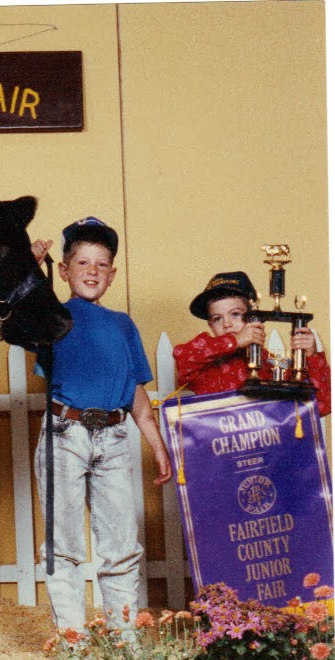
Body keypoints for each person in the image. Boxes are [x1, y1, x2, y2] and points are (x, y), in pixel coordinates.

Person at [31, 217, 172, 635]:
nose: (92, 271)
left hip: (113, 438)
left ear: (112, 275)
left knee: (121, 545)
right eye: (82, 262)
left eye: (102, 264)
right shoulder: (51, 317)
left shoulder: (123, 325)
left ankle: (124, 639)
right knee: (64, 545)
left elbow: (138, 398)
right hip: (65, 433)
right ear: (63, 270)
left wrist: (158, 447)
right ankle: (72, 642)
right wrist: (28, 262)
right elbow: (14, 304)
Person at [173, 271, 331, 416]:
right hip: (218, 443)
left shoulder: (271, 363)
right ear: (210, 325)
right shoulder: (205, 360)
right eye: (217, 318)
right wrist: (235, 341)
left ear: (255, 317)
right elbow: (182, 356)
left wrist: (313, 357)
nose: (226, 324)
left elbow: (322, 406)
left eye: (235, 314)